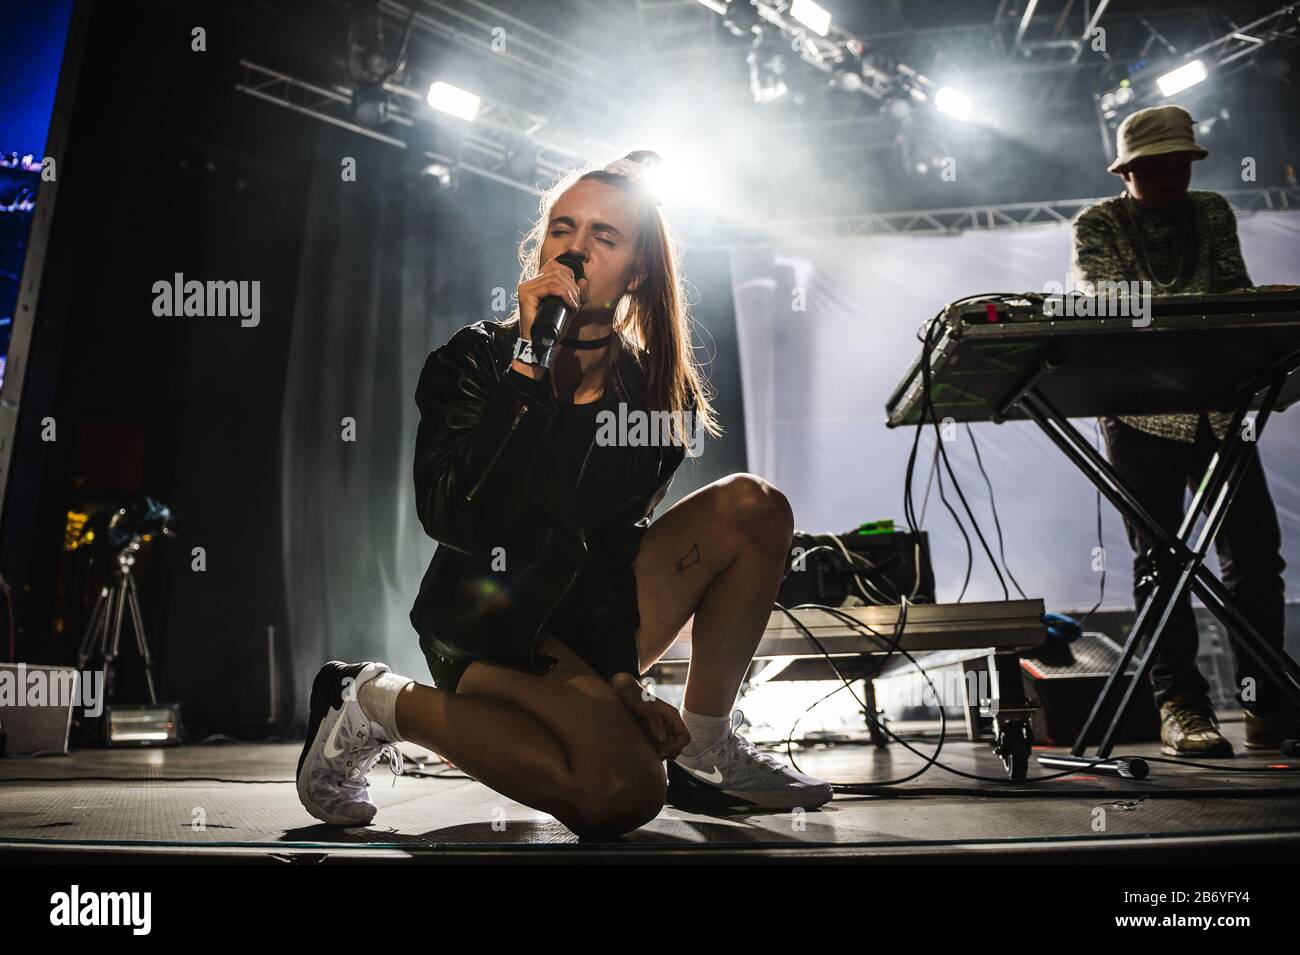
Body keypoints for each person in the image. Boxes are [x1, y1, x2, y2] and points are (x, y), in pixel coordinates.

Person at [296, 151, 833, 836]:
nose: (575, 251)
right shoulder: (476, 359)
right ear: (541, 246)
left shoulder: (653, 396)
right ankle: (371, 700)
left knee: (754, 508)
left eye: (604, 237)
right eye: (562, 229)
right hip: (486, 618)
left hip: (582, 614)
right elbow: (460, 518)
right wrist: (528, 364)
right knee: (622, 793)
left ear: (636, 272)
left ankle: (704, 743)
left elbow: (613, 549)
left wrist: (622, 679)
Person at [1071, 105, 1299, 756]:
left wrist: (1264, 306)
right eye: (1157, 166)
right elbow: (1113, 306)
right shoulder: (1098, 223)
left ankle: (1266, 705)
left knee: (1255, 560)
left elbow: (1231, 290)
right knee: (1159, 564)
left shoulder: (1211, 213)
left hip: (1220, 410)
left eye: (1181, 163)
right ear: (1129, 170)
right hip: (1139, 413)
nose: (1173, 175)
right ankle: (1181, 705)